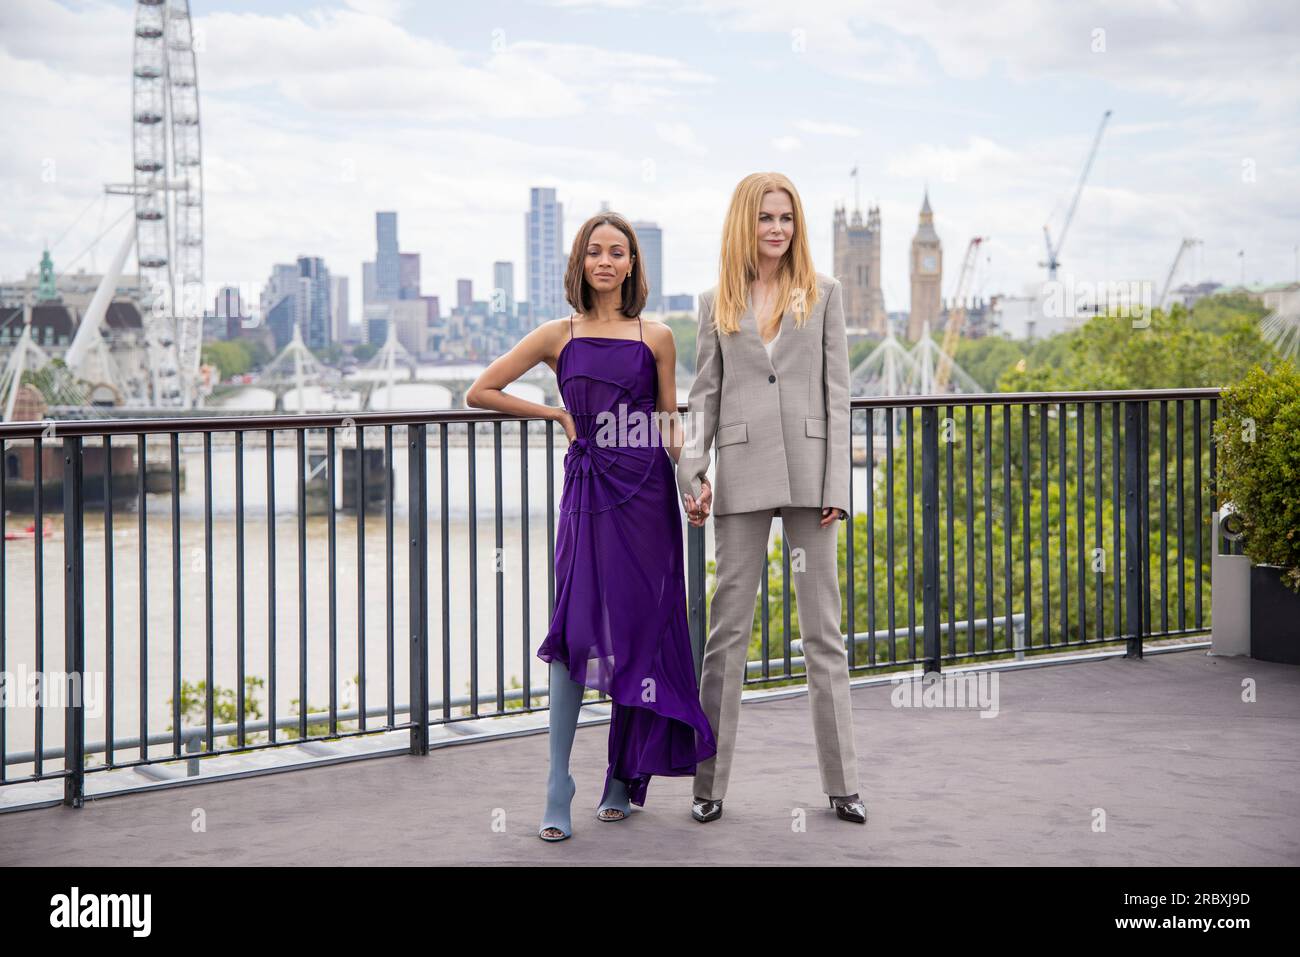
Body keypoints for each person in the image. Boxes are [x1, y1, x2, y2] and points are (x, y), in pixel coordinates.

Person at [466, 212, 717, 842]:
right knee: (575, 630)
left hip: (646, 494)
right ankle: (557, 782)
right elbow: (482, 390)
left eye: (618, 252)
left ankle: (619, 777)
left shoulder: (656, 335)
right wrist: (554, 412)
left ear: (633, 265)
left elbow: (667, 421)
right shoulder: (557, 334)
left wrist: (692, 480)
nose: (605, 262)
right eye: (594, 252)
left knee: (639, 629)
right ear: (579, 263)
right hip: (586, 491)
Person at [677, 172, 866, 825]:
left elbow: (837, 397)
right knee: (727, 633)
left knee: (824, 633)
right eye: (766, 218)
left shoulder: (826, 294)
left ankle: (843, 785)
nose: (778, 229)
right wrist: (692, 472)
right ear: (744, 224)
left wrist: (839, 485)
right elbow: (702, 397)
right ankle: (709, 785)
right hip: (741, 479)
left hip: (813, 482)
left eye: (787, 217)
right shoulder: (715, 303)